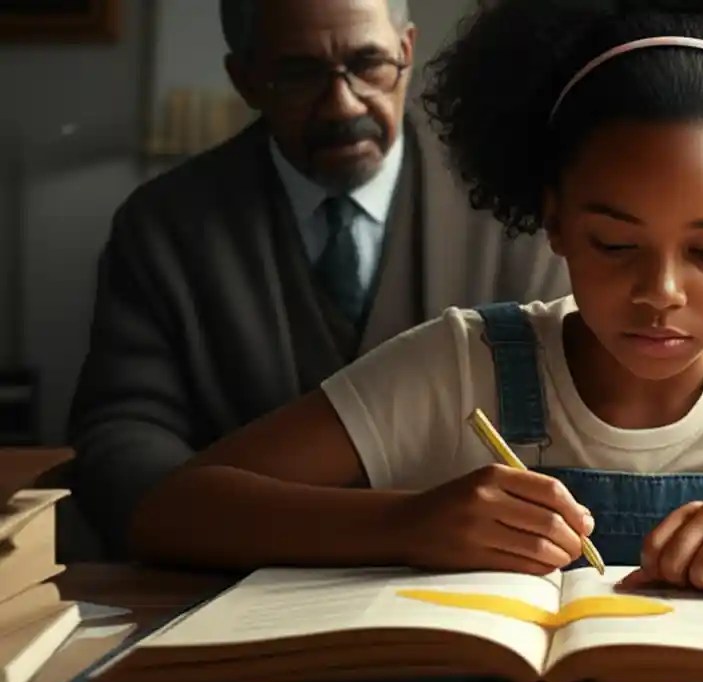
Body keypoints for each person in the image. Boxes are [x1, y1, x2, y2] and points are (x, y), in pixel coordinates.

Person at [130, 0, 703, 598]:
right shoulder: (463, 362)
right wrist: (407, 524)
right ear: (551, 220)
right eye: (615, 243)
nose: (660, 294)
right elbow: (176, 510)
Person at [64, 0, 569, 560]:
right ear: (247, 80)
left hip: (478, 593)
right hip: (232, 587)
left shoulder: (512, 210)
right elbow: (123, 443)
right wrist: (386, 526)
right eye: (299, 74)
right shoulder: (164, 227)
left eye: (369, 64)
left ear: (406, 51)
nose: (342, 104)